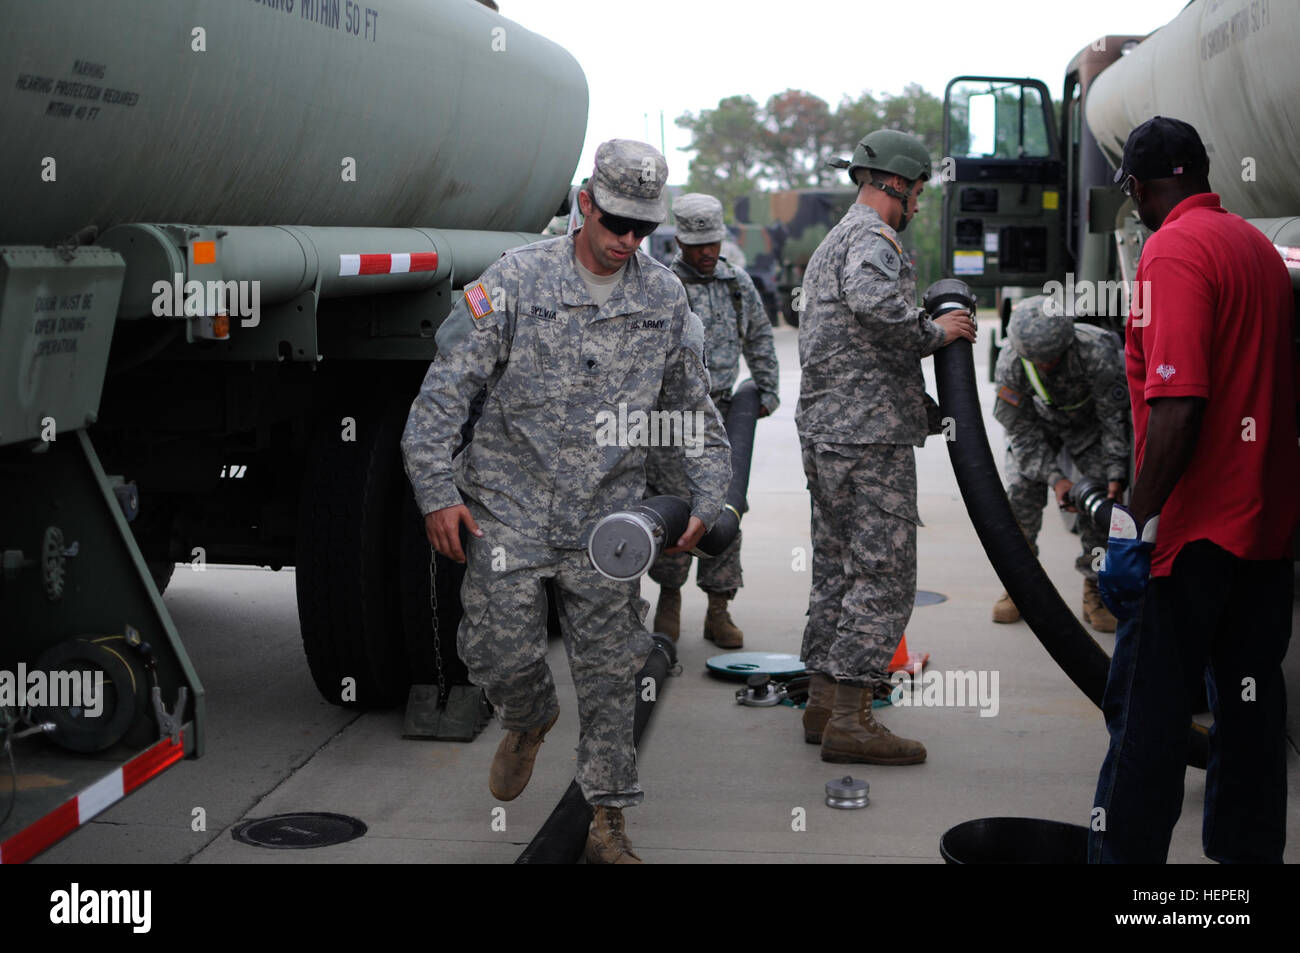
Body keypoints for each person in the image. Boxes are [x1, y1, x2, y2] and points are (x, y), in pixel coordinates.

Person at [401, 139, 730, 864]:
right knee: (499, 651)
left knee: (614, 672)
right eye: (615, 221)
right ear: (584, 201)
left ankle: (608, 819)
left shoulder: (664, 297)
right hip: (509, 508)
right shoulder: (515, 281)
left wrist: (710, 496)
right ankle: (528, 714)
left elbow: (691, 408)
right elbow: (442, 395)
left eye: (642, 229)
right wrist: (435, 491)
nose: (626, 241)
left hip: (606, 519)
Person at [1090, 116, 1297, 863]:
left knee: (1147, 717)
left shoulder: (1172, 251)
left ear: (1142, 187)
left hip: (1191, 538)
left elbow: (1180, 405)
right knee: (1249, 711)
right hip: (1266, 535)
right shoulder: (1258, 250)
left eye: (1133, 193)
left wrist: (1130, 524)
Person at [796, 129, 976, 764]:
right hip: (866, 441)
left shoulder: (835, 240)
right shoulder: (873, 239)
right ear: (897, 182)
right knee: (884, 575)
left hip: (832, 431)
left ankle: (822, 702)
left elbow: (847, 339)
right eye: (919, 189)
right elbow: (877, 310)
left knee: (837, 568)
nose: (920, 203)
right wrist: (938, 331)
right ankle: (851, 718)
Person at [646, 192, 780, 649]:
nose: (706, 252)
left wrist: (767, 389)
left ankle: (719, 608)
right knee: (675, 506)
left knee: (725, 509)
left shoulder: (736, 283)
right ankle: (669, 599)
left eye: (713, 243)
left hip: (723, 415)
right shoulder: (659, 285)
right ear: (679, 241)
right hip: (672, 421)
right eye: (697, 244)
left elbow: (759, 336)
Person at [991, 294, 1129, 632]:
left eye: (1051, 359)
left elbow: (1113, 419)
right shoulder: (1012, 361)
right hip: (1038, 427)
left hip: (1087, 428)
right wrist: (1056, 479)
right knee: (1020, 495)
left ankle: (1096, 588)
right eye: (1037, 360)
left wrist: (1116, 473)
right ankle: (1019, 585)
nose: (1044, 366)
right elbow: (1020, 432)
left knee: (1100, 503)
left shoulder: (1096, 351)